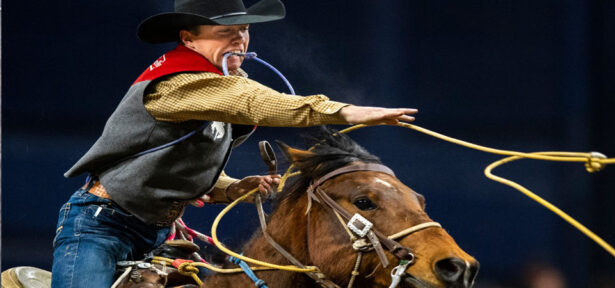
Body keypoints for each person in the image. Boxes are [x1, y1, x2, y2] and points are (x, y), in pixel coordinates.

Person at [50, 0, 417, 287]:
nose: (239, 40)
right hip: (101, 225)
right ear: (188, 39)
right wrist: (349, 112)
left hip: (159, 233)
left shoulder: (219, 86)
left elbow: (186, 162)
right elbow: (257, 102)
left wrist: (233, 187)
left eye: (242, 31)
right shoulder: (179, 82)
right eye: (224, 32)